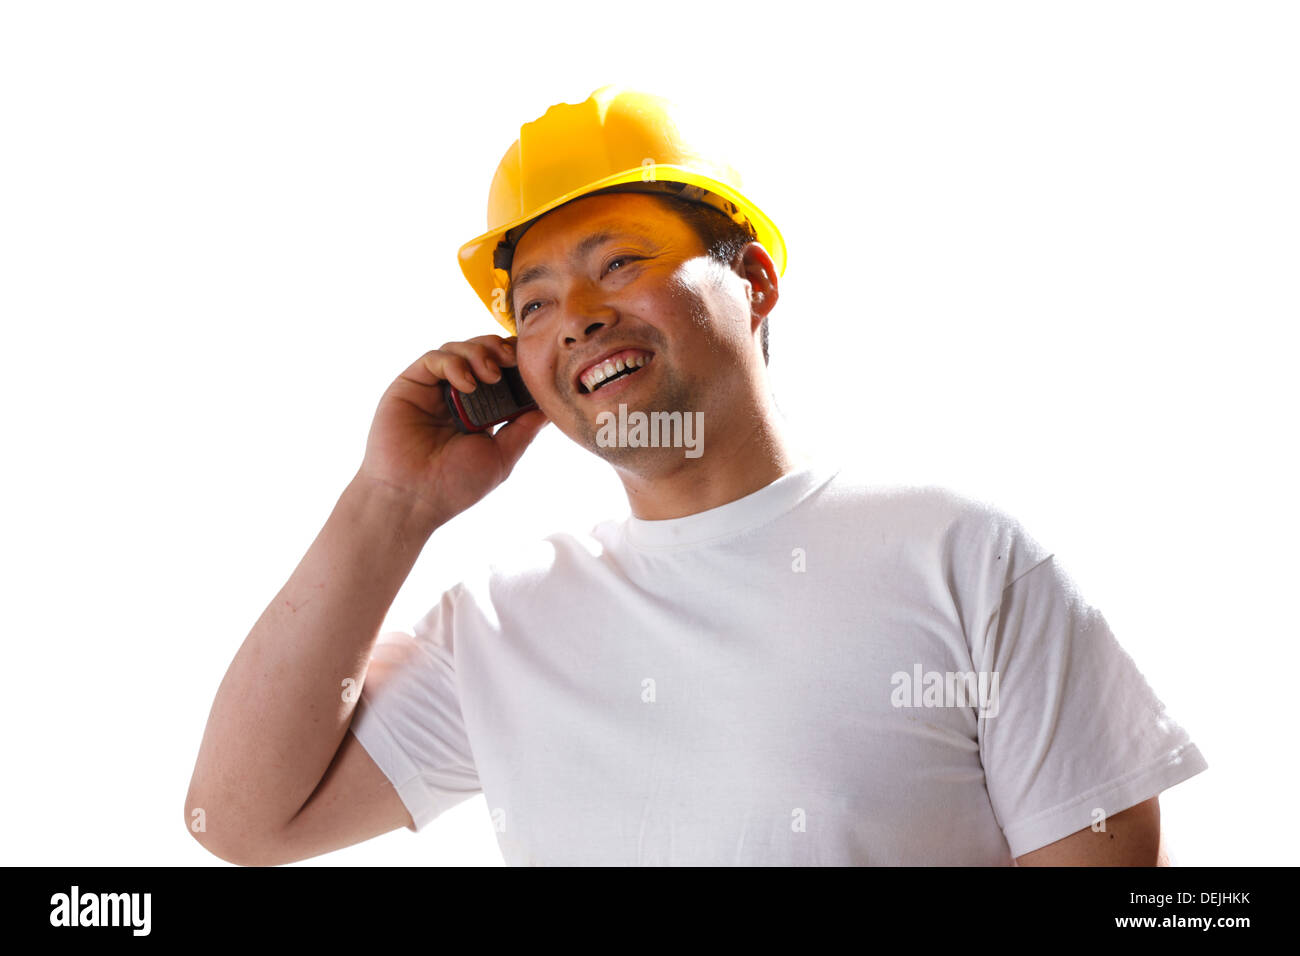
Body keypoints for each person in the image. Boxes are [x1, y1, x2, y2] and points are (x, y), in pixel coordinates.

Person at [185, 85, 1207, 866]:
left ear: (753, 280)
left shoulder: (966, 557)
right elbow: (234, 816)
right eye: (530, 304)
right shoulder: (499, 629)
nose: (574, 315)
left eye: (618, 262)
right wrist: (393, 503)